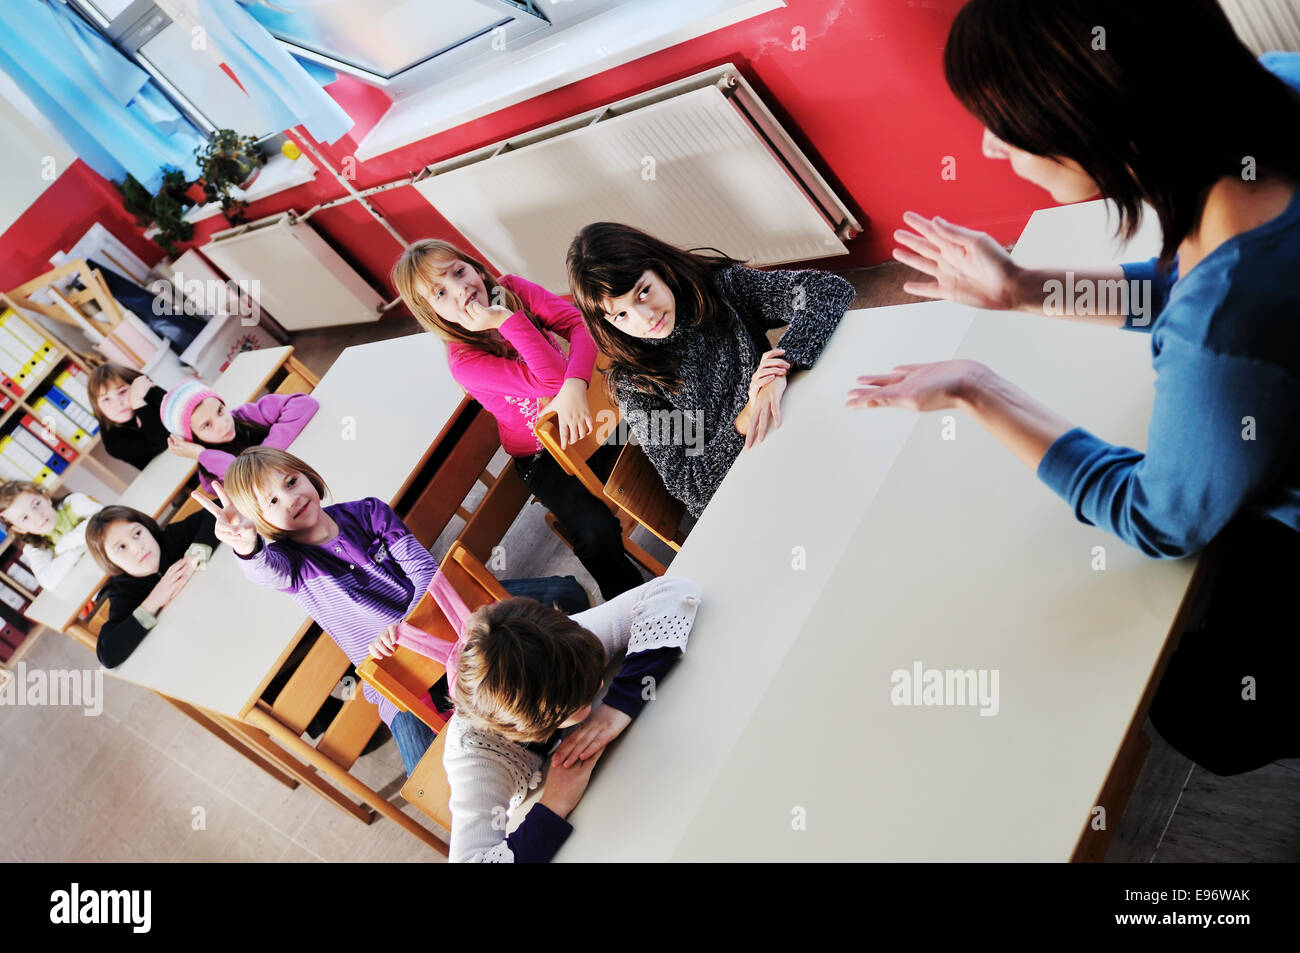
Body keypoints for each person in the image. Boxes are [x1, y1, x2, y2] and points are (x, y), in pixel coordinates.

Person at [847, 0, 1300, 775]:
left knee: (1195, 708)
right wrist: (1024, 287)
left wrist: (977, 386)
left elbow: (1160, 517)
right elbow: (1202, 285)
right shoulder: (1274, 89)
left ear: (1111, 132)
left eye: (1009, 126)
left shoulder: (1222, 330)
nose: (991, 146)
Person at [204, 446, 590, 775]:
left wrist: (410, 627)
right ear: (261, 521)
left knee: (564, 596)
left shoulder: (368, 512)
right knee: (423, 761)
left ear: (307, 476)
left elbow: (423, 570)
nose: (291, 499)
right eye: (272, 502)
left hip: (450, 618)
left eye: (290, 482)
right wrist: (246, 545)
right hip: (397, 668)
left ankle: (548, 693)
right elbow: (264, 570)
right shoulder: (292, 567)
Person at [392, 239, 643, 599]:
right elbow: (551, 378)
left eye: (460, 272)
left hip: (585, 412)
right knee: (594, 531)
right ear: (431, 311)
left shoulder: (510, 288)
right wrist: (507, 321)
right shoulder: (465, 363)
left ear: (475, 266)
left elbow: (579, 324)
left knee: (667, 430)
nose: (461, 290)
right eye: (441, 292)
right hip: (541, 456)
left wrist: (575, 385)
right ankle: (633, 603)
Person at [567, 222, 855, 517]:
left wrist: (781, 368)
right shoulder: (634, 384)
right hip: (746, 499)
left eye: (643, 292)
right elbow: (691, 486)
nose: (645, 318)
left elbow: (826, 290)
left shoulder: (722, 289)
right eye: (622, 314)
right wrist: (745, 419)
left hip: (793, 430)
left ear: (660, 269)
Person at [444, 574, 702, 862]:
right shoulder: (474, 760)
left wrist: (616, 708)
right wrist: (555, 804)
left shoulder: (561, 648)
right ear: (540, 724)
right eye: (585, 697)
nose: (599, 686)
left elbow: (672, 591)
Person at [84, 504, 217, 668]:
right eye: (121, 547)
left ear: (146, 527)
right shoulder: (123, 592)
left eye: (137, 533)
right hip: (197, 642)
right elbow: (108, 654)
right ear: (109, 561)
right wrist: (153, 601)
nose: (137, 547)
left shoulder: (169, 539)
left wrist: (193, 558)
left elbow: (217, 509)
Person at [158, 378, 319, 494]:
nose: (223, 424)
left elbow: (304, 404)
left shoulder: (244, 416)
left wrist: (264, 457)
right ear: (193, 439)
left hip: (311, 460)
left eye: (220, 410)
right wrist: (202, 455)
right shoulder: (211, 476)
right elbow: (247, 479)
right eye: (207, 425)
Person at [0, 480, 102, 590]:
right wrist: (76, 549)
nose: (37, 516)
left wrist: (61, 548)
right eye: (24, 518)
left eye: (36, 504)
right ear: (19, 528)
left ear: (46, 497)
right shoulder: (33, 547)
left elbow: (104, 519)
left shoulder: (73, 502)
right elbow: (48, 581)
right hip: (93, 585)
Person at [87, 364, 169, 470]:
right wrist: (138, 404)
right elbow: (164, 441)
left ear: (135, 386)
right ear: (97, 407)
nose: (118, 403)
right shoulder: (113, 441)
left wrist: (138, 400)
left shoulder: (148, 393)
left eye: (122, 392)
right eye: (106, 399)